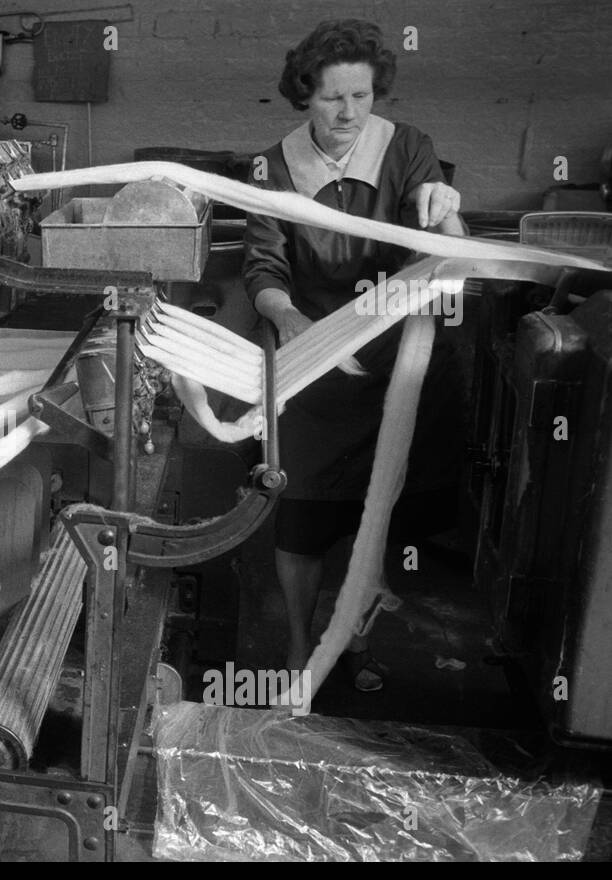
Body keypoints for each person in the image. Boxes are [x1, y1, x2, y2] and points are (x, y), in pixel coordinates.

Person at [242, 19, 467, 691]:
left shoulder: (407, 149)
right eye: (331, 98)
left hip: (393, 366)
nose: (347, 113)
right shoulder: (274, 167)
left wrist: (446, 209)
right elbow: (263, 266)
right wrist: (288, 316)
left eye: (361, 97)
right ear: (303, 95)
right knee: (303, 519)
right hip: (314, 364)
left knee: (375, 518)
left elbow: (446, 252)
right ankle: (299, 645)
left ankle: (354, 642)